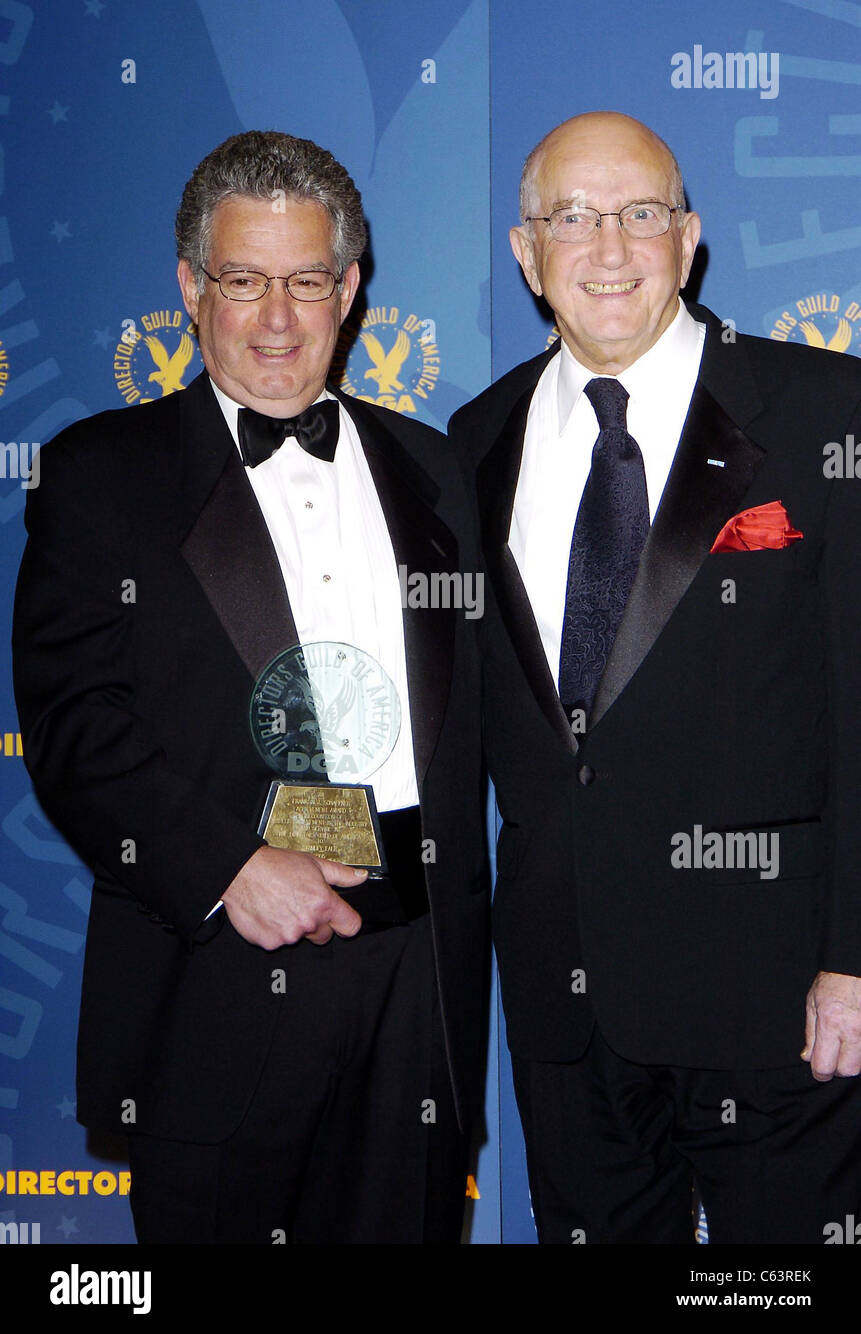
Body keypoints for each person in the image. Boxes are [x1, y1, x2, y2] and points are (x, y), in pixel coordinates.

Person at [13, 130, 488, 1245]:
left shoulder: (438, 469)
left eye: (306, 281)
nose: (277, 318)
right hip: (218, 974)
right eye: (243, 281)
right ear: (191, 287)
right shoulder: (102, 473)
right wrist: (228, 868)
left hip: (415, 986)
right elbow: (77, 730)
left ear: (350, 288)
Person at [449, 110, 861, 1244]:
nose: (611, 248)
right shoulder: (471, 442)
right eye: (572, 219)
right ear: (527, 254)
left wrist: (855, 962)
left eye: (640, 214)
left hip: (778, 1002)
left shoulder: (828, 412)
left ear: (691, 238)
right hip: (564, 1007)